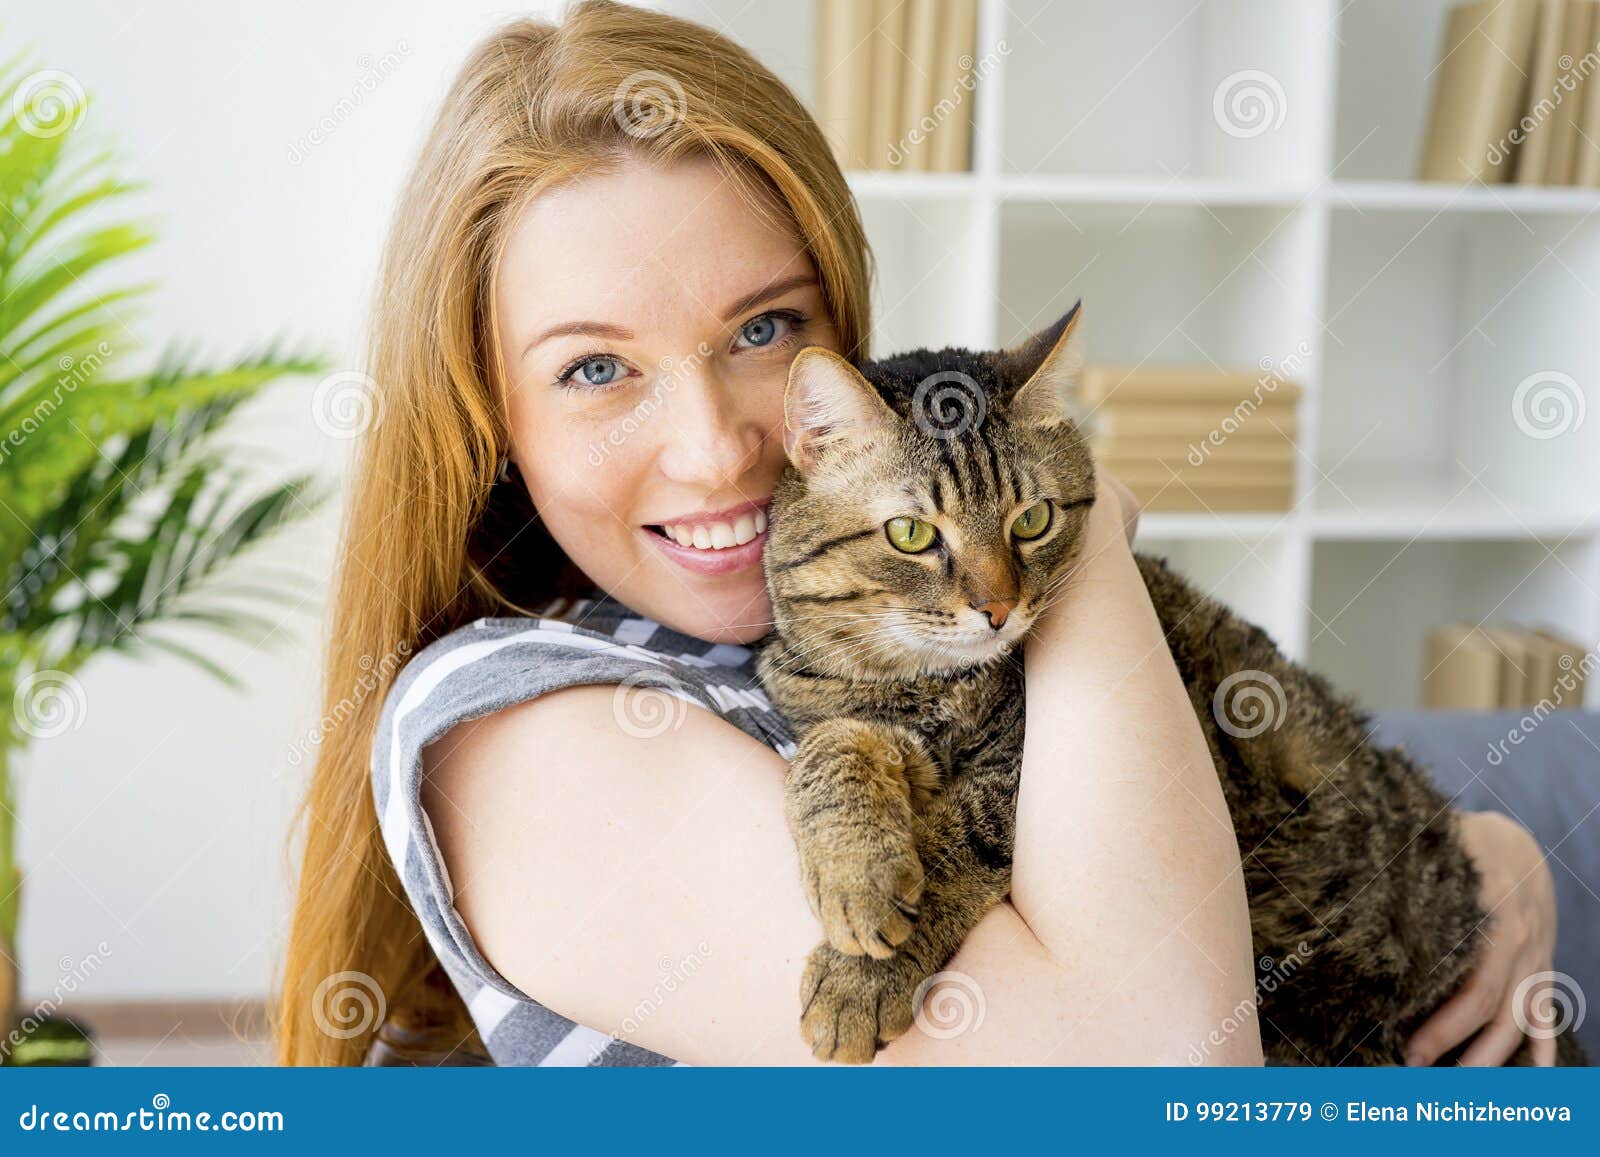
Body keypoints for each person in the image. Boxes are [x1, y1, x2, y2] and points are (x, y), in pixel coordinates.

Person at [276, 0, 1559, 1067]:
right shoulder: (514, 726)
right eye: (596, 369)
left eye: (764, 329)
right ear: (484, 412)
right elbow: (1158, 1080)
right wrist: (1087, 531)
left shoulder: (861, 571)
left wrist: (1482, 856)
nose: (722, 447)